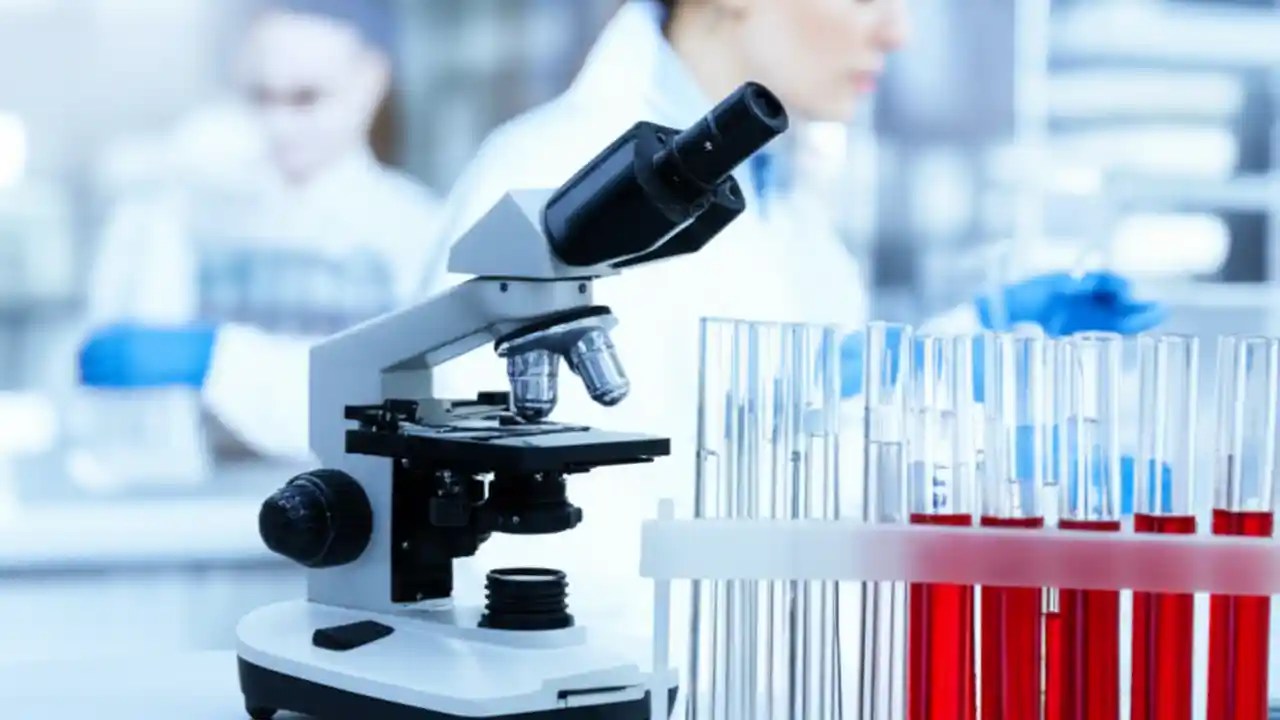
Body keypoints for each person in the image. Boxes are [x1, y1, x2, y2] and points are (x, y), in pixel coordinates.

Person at [432, 0, 1167, 638]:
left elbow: (795, 406)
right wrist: (963, 474)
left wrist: (973, 335)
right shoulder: (560, 175)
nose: (897, 32)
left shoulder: (775, 192)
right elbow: (559, 541)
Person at [79, 0, 447, 461]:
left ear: (371, 80)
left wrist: (218, 361)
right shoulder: (192, 211)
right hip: (194, 511)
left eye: (306, 97)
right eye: (262, 97)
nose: (280, 125)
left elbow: (398, 408)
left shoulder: (416, 232)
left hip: (347, 508)